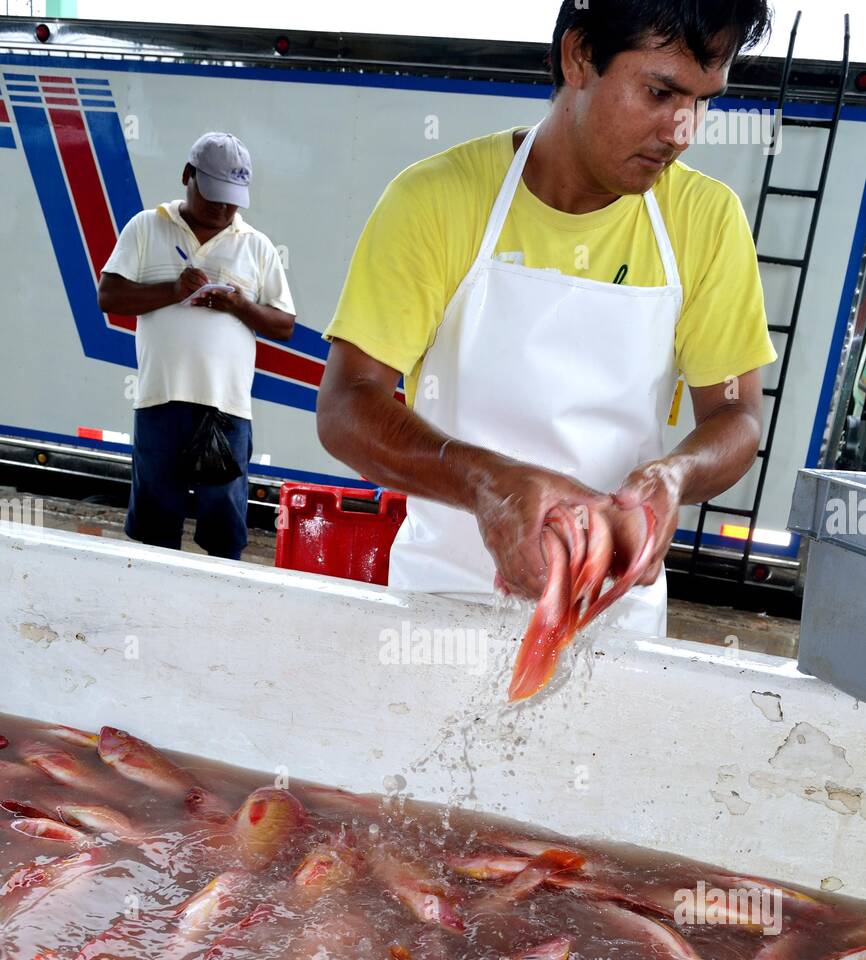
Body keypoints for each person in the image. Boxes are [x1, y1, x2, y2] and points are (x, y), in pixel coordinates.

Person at [317, 0, 777, 634]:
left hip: (614, 616)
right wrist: (486, 483)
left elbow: (736, 415)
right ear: (579, 56)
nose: (682, 132)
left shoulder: (706, 220)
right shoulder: (437, 200)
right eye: (660, 92)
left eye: (703, 102)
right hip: (442, 605)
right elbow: (346, 405)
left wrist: (676, 475)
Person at [98, 132, 296, 561]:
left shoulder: (256, 246)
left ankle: (221, 597)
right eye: (213, 195)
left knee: (225, 529)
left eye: (232, 200)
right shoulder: (146, 226)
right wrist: (173, 290)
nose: (222, 208)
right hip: (160, 400)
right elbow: (108, 297)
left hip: (227, 409)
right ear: (187, 175)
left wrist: (239, 305)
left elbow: (284, 326)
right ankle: (154, 596)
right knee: (156, 522)